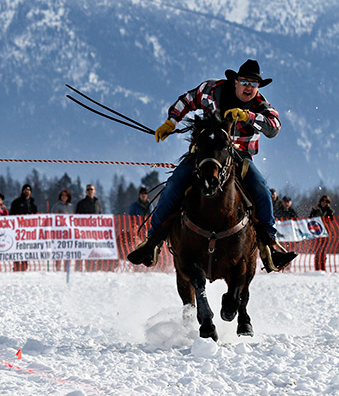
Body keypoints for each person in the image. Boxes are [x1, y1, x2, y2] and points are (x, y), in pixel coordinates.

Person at [127, 59, 296, 272]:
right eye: (244, 81)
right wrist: (172, 121)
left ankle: (270, 246)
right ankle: (152, 242)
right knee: (173, 186)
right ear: (235, 81)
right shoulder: (210, 90)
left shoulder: (259, 105)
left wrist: (248, 116)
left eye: (254, 84)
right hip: (205, 154)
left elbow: (274, 126)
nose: (249, 88)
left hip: (239, 158)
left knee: (262, 191)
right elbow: (187, 100)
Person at [9, 184, 37, 271]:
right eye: (25, 189)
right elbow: (11, 215)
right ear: (22, 191)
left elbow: (36, 217)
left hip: (28, 231)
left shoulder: (33, 204)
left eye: (28, 190)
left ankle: (25, 265)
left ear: (30, 191)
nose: (27, 191)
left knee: (26, 248)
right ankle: (16, 265)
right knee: (17, 248)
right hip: (17, 230)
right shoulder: (16, 202)